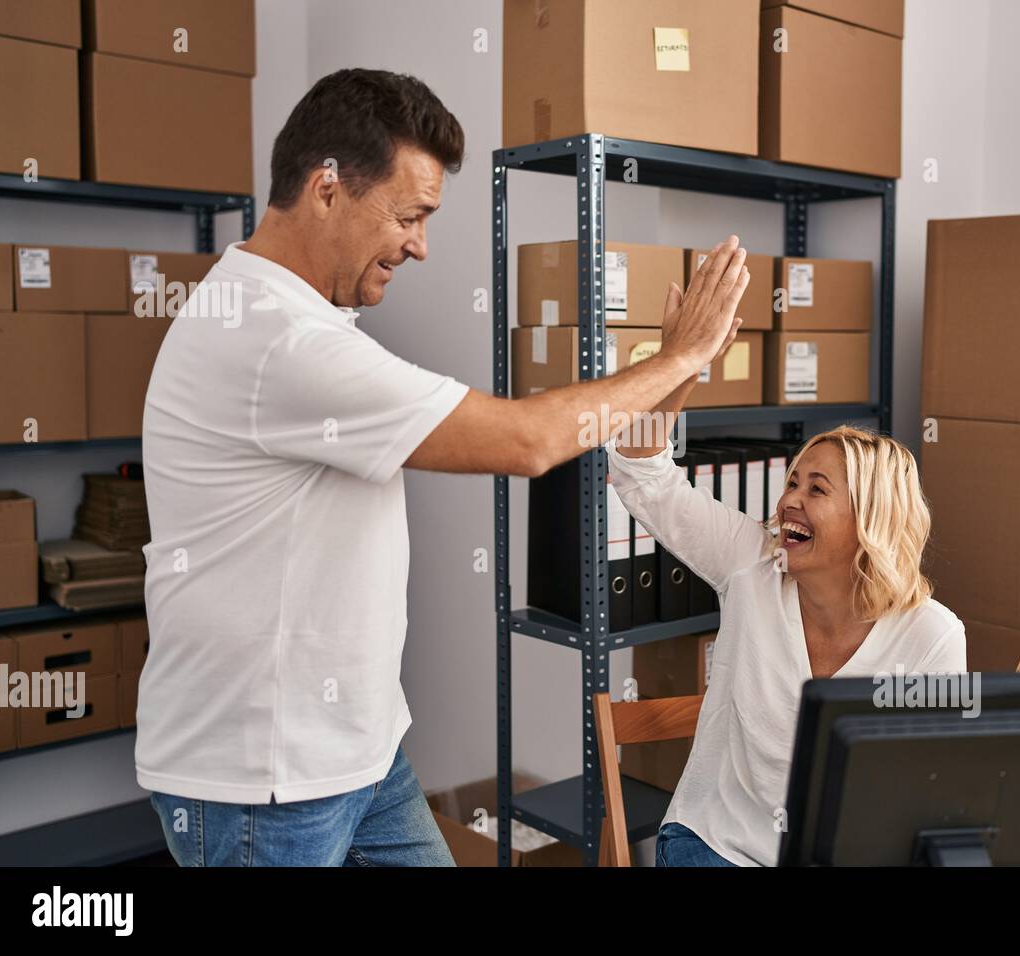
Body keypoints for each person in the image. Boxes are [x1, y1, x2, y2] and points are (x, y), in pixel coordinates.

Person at [137, 67, 749, 866]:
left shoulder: (299, 320)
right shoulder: (279, 340)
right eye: (409, 216)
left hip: (359, 752)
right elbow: (528, 443)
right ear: (327, 189)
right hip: (265, 780)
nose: (420, 245)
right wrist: (681, 357)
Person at [608, 362, 966, 865]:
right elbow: (639, 472)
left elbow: (931, 783)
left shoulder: (932, 635)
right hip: (717, 841)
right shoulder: (751, 562)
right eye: (792, 483)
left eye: (816, 489)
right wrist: (682, 361)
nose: (788, 502)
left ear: (871, 519)